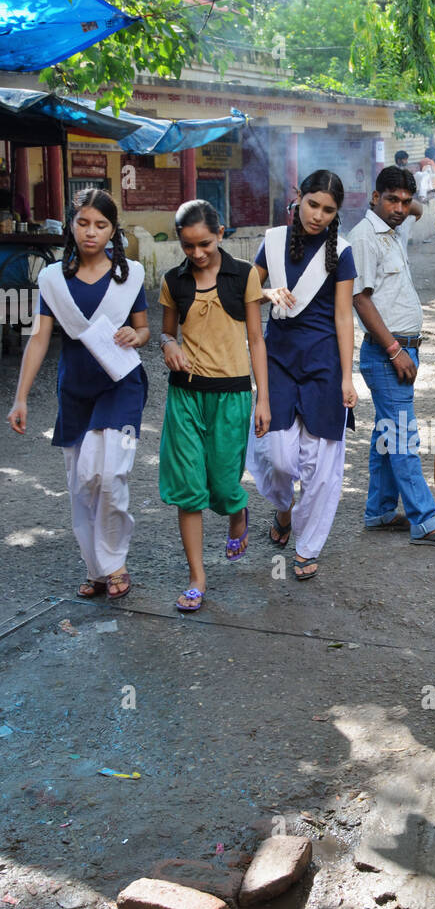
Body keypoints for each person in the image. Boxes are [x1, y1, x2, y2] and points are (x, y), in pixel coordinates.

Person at [7, 189, 149, 600]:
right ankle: (97, 569)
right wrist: (21, 398)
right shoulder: (53, 279)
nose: (91, 232)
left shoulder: (130, 275)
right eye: (83, 223)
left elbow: (142, 329)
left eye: (101, 225)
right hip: (75, 391)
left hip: (122, 386)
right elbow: (38, 339)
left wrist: (133, 335)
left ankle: (115, 561)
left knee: (110, 474)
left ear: (112, 231)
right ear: (71, 225)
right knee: (81, 481)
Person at [246, 170, 358, 581]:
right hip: (277, 359)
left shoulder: (341, 253)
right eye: (313, 204)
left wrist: (348, 377)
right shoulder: (272, 241)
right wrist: (266, 292)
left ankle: (307, 547)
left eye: (328, 210)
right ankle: (282, 508)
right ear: (299, 198)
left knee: (321, 465)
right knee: (277, 457)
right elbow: (245, 291)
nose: (318, 215)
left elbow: (344, 316)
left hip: (325, 364)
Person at [159, 199, 268, 612]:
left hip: (233, 396)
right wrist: (169, 345)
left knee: (223, 488)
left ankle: (237, 512)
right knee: (189, 491)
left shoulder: (244, 276)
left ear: (220, 233)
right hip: (185, 395)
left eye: (204, 243)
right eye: (188, 246)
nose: (197, 253)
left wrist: (264, 400)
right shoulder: (175, 281)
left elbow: (257, 339)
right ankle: (197, 578)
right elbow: (167, 334)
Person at [350, 166, 435, 548]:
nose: (400, 207)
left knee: (386, 432)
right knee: (402, 437)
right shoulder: (365, 237)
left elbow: (419, 211)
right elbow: (361, 299)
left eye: (405, 201)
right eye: (391, 199)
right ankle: (425, 520)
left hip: (403, 350)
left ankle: (379, 510)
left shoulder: (395, 227)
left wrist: (409, 205)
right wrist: (394, 350)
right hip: (388, 353)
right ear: (374, 197)